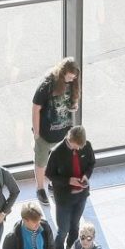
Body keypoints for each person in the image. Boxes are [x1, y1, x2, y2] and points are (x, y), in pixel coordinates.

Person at [31, 58, 82, 205]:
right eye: (70, 76)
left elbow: (72, 102)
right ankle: (40, 189)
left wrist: (74, 106)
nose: (72, 80)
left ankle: (54, 184)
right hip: (45, 134)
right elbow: (35, 108)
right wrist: (36, 131)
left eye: (74, 77)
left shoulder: (72, 83)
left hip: (64, 131)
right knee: (41, 162)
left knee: (60, 160)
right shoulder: (47, 85)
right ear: (63, 72)